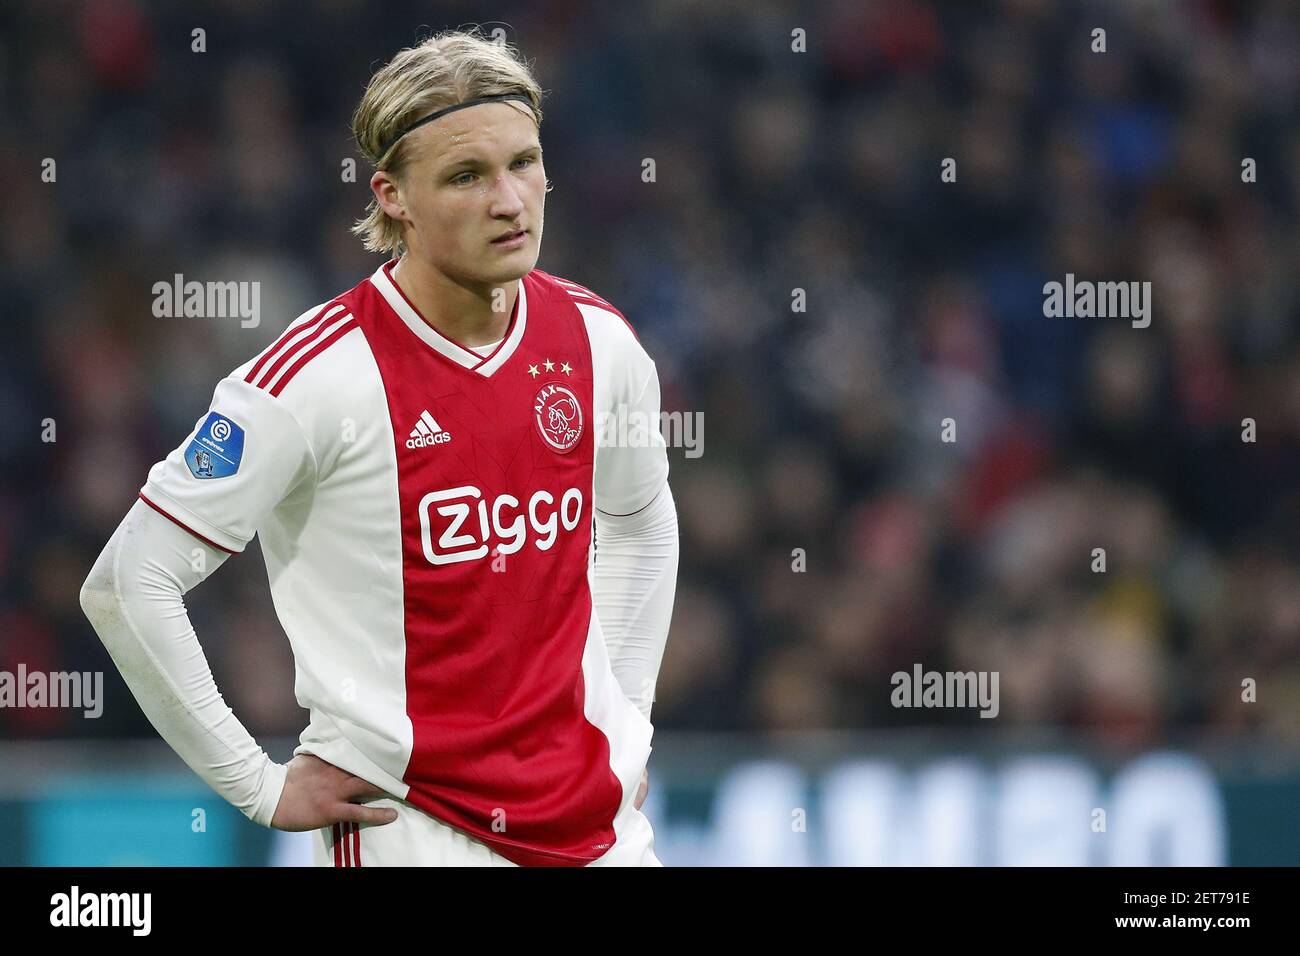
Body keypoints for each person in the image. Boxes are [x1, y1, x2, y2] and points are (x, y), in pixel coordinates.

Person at [79, 28, 678, 867]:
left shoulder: (599, 342)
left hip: (600, 832)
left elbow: (641, 523)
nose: (510, 199)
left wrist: (627, 721)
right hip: (414, 834)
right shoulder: (311, 378)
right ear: (392, 195)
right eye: (467, 176)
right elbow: (126, 583)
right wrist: (257, 782)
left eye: (524, 162)